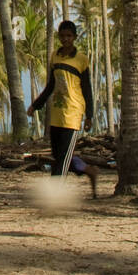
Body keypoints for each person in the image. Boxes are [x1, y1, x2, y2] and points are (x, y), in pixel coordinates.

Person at [27, 19, 98, 197]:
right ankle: (89, 171)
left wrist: (89, 115)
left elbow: (87, 88)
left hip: (73, 112)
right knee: (59, 156)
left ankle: (55, 194)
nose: (66, 39)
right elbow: (51, 85)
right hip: (57, 113)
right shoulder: (55, 56)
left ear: (74, 37)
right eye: (63, 36)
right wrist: (36, 105)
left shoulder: (81, 59)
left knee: (63, 158)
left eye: (69, 36)